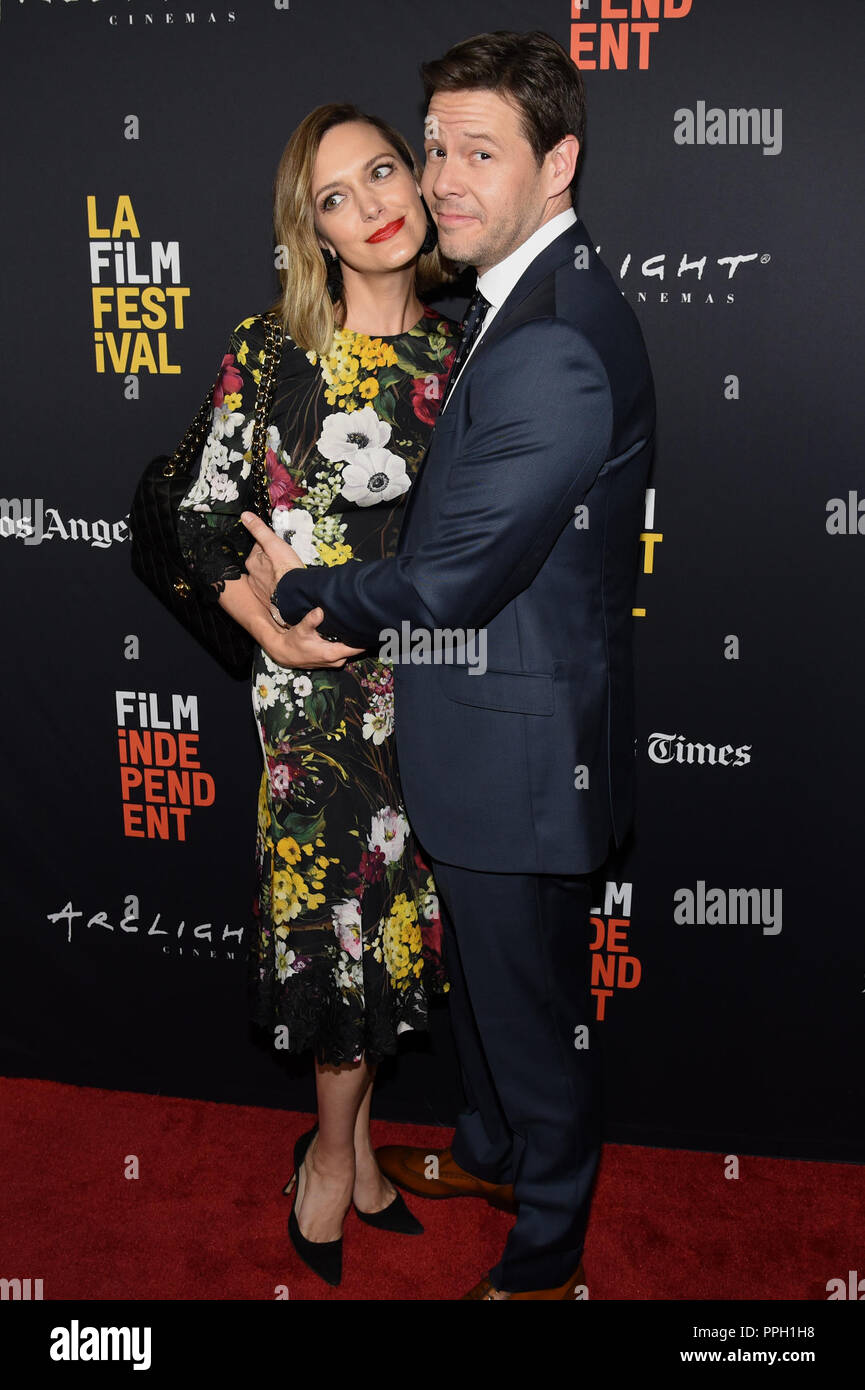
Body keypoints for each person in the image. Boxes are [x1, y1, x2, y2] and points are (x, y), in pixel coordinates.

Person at [243, 29, 656, 1300]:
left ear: (560, 163)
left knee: (530, 1022)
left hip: (513, 754)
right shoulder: (511, 302)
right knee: (484, 994)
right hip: (481, 737)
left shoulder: (555, 341)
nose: (444, 177)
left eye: (481, 150)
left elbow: (445, 582)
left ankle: (543, 1257)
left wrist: (296, 587)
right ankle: (486, 1152)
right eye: (436, 147)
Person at [176, 103, 460, 1287]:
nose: (371, 204)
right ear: (317, 232)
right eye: (334, 196)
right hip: (309, 703)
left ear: (417, 177)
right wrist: (272, 643)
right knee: (339, 927)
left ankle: (354, 1151)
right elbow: (196, 517)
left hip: (431, 697)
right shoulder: (275, 349)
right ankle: (333, 1163)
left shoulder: (459, 358)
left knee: (389, 929)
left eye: (382, 170)